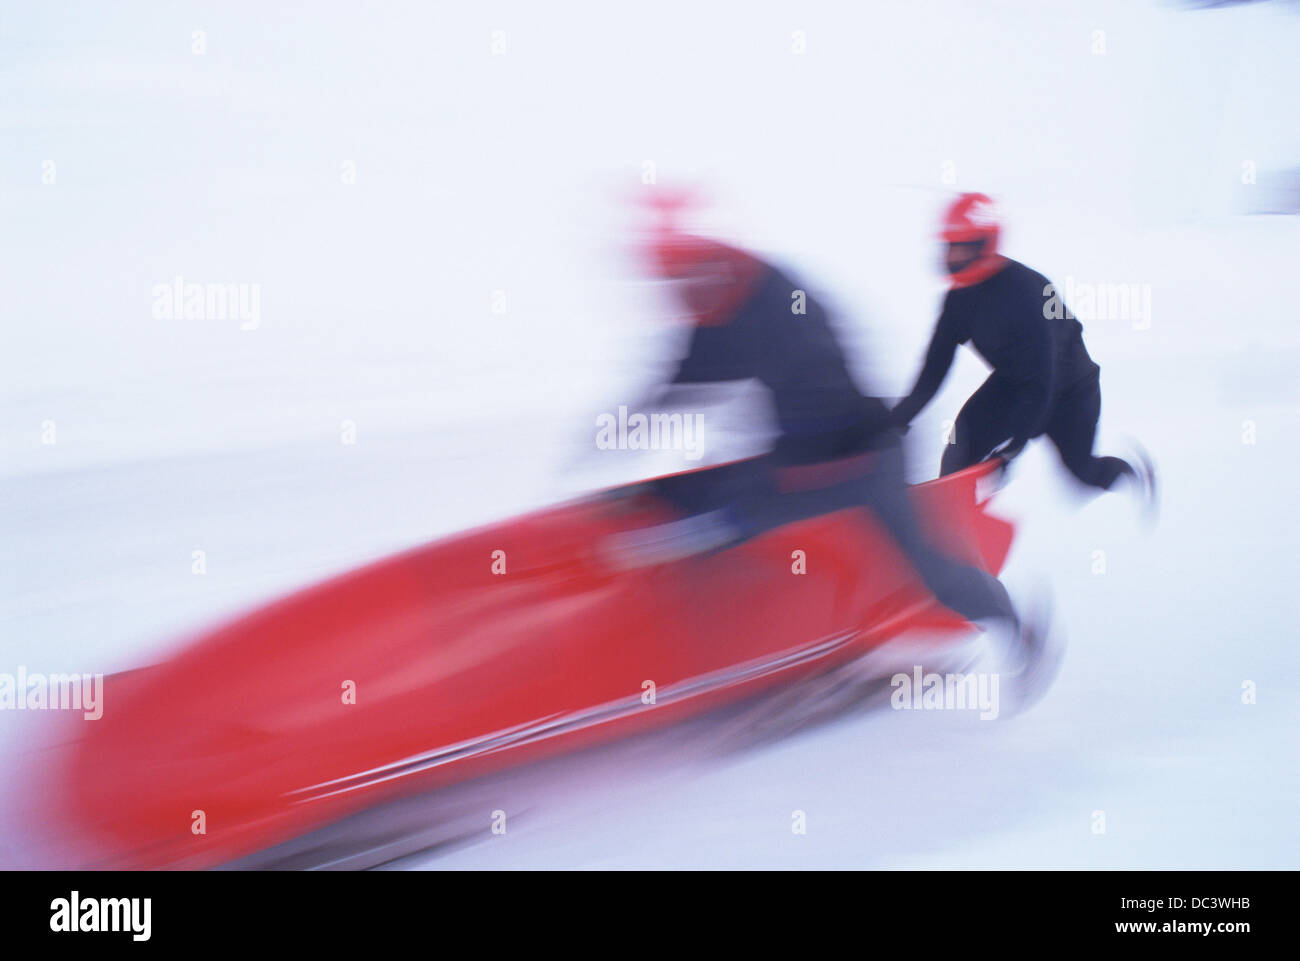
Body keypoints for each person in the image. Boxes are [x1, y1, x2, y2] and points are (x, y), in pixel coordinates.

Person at [602, 223, 1038, 653]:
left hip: (864, 459)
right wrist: (621, 436)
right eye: (672, 282)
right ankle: (696, 586)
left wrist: (732, 515)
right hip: (805, 455)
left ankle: (1019, 627)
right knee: (721, 503)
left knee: (933, 572)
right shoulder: (724, 306)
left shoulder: (778, 311)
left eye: (684, 279)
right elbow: (686, 377)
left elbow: (805, 427)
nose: (679, 296)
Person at [890, 193, 1156, 510]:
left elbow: (1043, 383)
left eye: (963, 247)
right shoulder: (958, 301)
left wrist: (1011, 451)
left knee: (1082, 474)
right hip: (1015, 381)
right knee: (964, 437)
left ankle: (1128, 471)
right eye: (950, 247)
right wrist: (900, 419)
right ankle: (953, 517)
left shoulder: (1026, 293)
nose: (954, 257)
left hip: (1072, 391)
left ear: (985, 245)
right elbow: (934, 369)